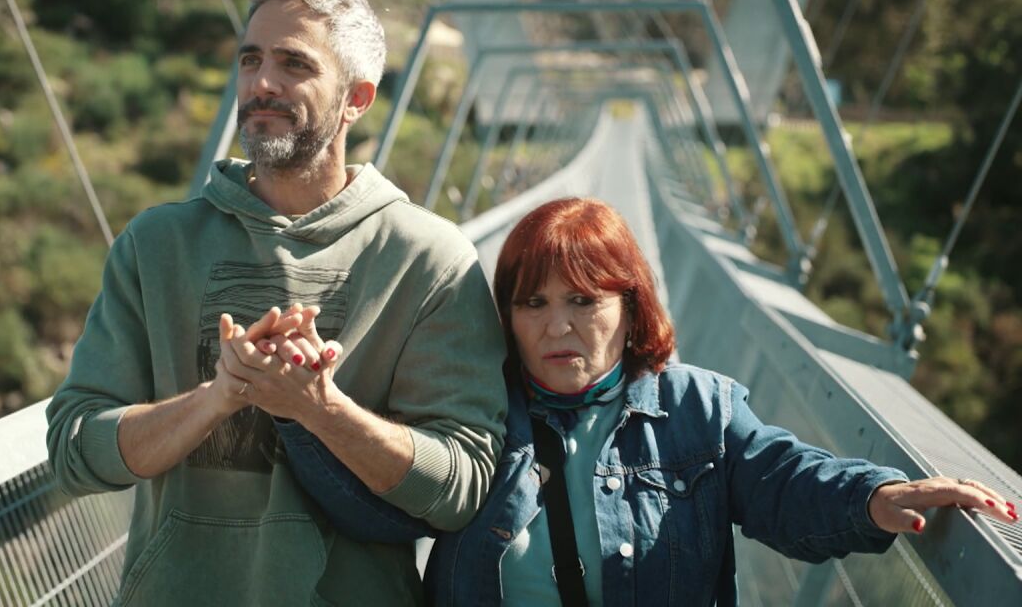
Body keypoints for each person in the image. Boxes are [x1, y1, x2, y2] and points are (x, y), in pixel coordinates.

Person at [271, 197, 1019, 606]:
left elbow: (783, 485)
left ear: (631, 308)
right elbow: (382, 501)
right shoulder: (479, 409)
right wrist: (305, 407)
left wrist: (879, 495)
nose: (557, 326)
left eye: (583, 301)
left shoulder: (699, 409)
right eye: (531, 303)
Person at [44, 0, 507, 606]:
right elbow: (74, 450)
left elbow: (461, 488)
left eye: (294, 64)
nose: (262, 83)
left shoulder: (428, 259)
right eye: (250, 59)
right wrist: (218, 397)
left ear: (358, 99)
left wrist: (320, 408)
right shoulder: (155, 247)